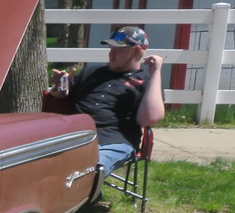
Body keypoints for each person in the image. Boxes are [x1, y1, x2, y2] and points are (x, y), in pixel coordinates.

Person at [50, 25, 164, 175]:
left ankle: (84, 194)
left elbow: (150, 119)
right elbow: (61, 94)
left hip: (113, 141)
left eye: (118, 50)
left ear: (136, 51)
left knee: (92, 169)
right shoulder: (92, 71)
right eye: (111, 49)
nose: (111, 54)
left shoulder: (146, 80)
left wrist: (156, 72)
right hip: (74, 136)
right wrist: (60, 86)